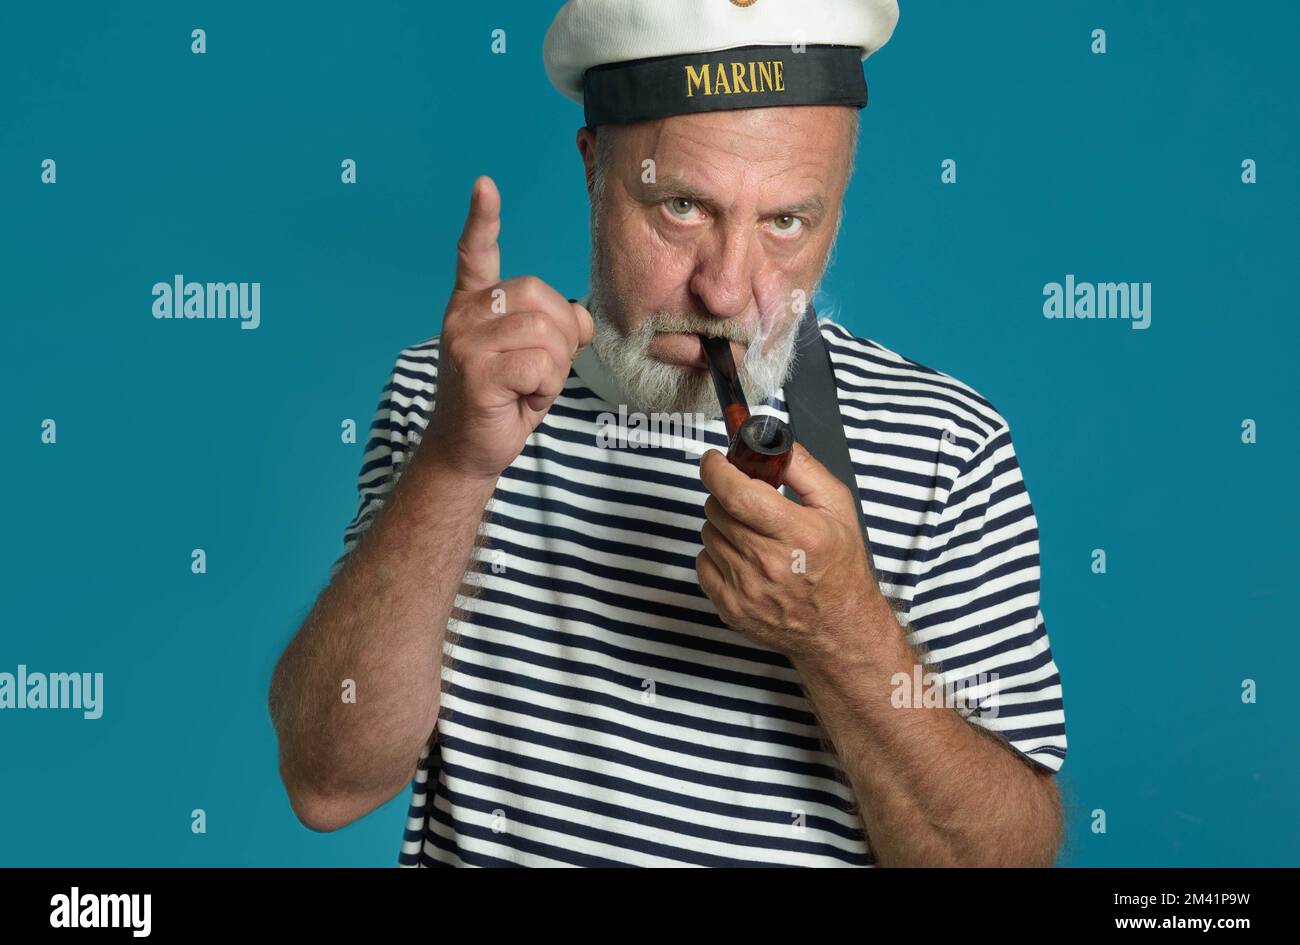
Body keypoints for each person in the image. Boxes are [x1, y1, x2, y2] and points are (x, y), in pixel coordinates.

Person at [269, 0, 1068, 867]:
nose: (727, 292)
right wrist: (455, 465)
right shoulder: (454, 395)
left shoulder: (948, 444)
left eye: (785, 222)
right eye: (682, 207)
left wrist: (841, 631)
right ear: (592, 167)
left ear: (839, 205)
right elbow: (327, 781)